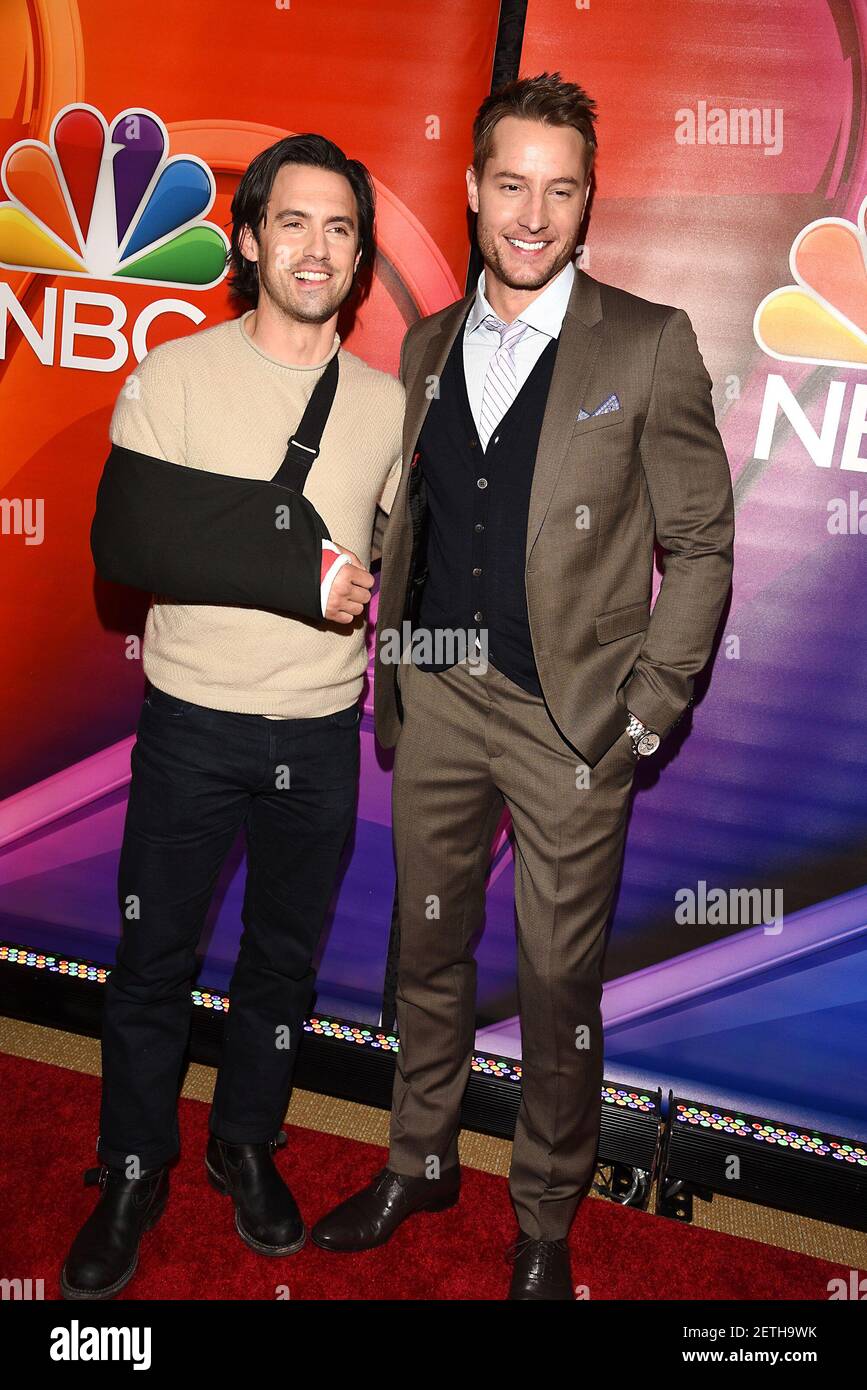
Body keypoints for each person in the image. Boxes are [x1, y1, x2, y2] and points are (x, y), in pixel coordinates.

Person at [311, 73, 735, 1300]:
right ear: (473, 191)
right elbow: (429, 512)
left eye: (559, 189)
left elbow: (701, 545)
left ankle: (545, 1218)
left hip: (573, 723)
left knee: (558, 983)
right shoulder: (435, 341)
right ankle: (419, 1155)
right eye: (511, 185)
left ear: (588, 200)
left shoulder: (648, 343)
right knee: (426, 949)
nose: (533, 213)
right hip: (438, 691)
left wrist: (645, 714)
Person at [61, 133, 404, 1300]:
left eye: (342, 228)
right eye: (294, 222)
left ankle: (245, 1140)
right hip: (191, 723)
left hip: (317, 732)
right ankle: (133, 1164)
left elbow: (415, 560)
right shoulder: (173, 376)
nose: (317, 246)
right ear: (250, 241)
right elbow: (131, 542)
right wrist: (302, 570)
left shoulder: (387, 404)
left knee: (281, 966)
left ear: (360, 260)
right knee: (152, 961)